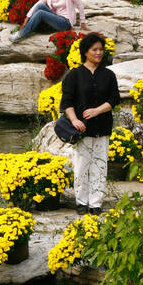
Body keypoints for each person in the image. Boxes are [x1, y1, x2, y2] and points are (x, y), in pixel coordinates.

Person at [60, 32, 120, 215]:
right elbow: (67, 103)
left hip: (102, 127)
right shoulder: (74, 75)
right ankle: (81, 202)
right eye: (95, 49)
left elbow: (114, 99)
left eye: (101, 49)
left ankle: (95, 203)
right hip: (82, 129)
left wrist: (97, 110)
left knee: (100, 166)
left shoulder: (109, 75)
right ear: (85, 52)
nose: (99, 53)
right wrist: (75, 120)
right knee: (81, 166)